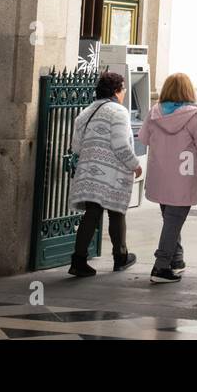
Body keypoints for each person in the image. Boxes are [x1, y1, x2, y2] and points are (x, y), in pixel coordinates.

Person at [136, 72, 197, 284]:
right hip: (183, 177)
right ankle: (161, 266)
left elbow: (143, 139)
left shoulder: (154, 113)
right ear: (188, 90)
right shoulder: (194, 117)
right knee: (173, 221)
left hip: (159, 177)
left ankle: (176, 259)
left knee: (171, 220)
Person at [68, 71, 141, 276]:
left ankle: (78, 260)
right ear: (117, 91)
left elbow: (76, 146)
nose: (125, 92)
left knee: (92, 213)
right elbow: (120, 144)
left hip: (89, 172)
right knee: (116, 212)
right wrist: (135, 164)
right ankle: (120, 256)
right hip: (111, 173)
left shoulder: (86, 112)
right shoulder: (118, 112)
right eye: (124, 88)